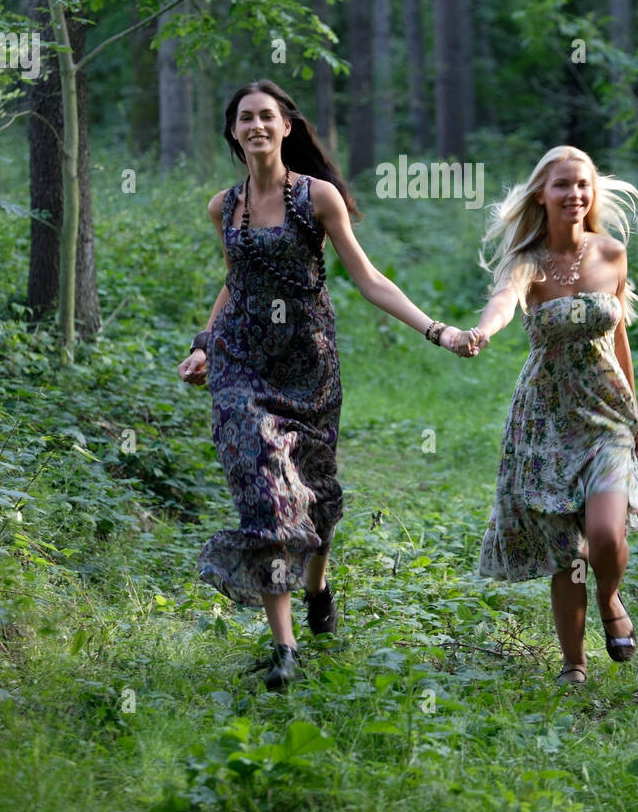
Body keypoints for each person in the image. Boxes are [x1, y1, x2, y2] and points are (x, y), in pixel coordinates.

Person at [177, 79, 480, 689]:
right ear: (233, 133)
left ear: (286, 126)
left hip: (308, 365)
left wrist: (437, 330)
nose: (256, 126)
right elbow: (235, 280)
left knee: (316, 493)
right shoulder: (223, 207)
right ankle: (284, 647)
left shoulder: (318, 199)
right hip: (241, 362)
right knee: (267, 491)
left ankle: (317, 586)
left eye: (267, 116)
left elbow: (368, 279)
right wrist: (203, 344)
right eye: (245, 118)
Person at [467, 146, 638, 687]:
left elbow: (619, 337)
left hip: (605, 414)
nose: (575, 194)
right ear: (541, 194)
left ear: (593, 193)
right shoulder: (527, 261)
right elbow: (503, 301)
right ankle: (573, 664)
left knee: (605, 534)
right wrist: (483, 331)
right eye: (563, 185)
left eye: (583, 185)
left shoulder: (611, 255)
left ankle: (610, 597)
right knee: (565, 549)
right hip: (544, 420)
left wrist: (634, 416)